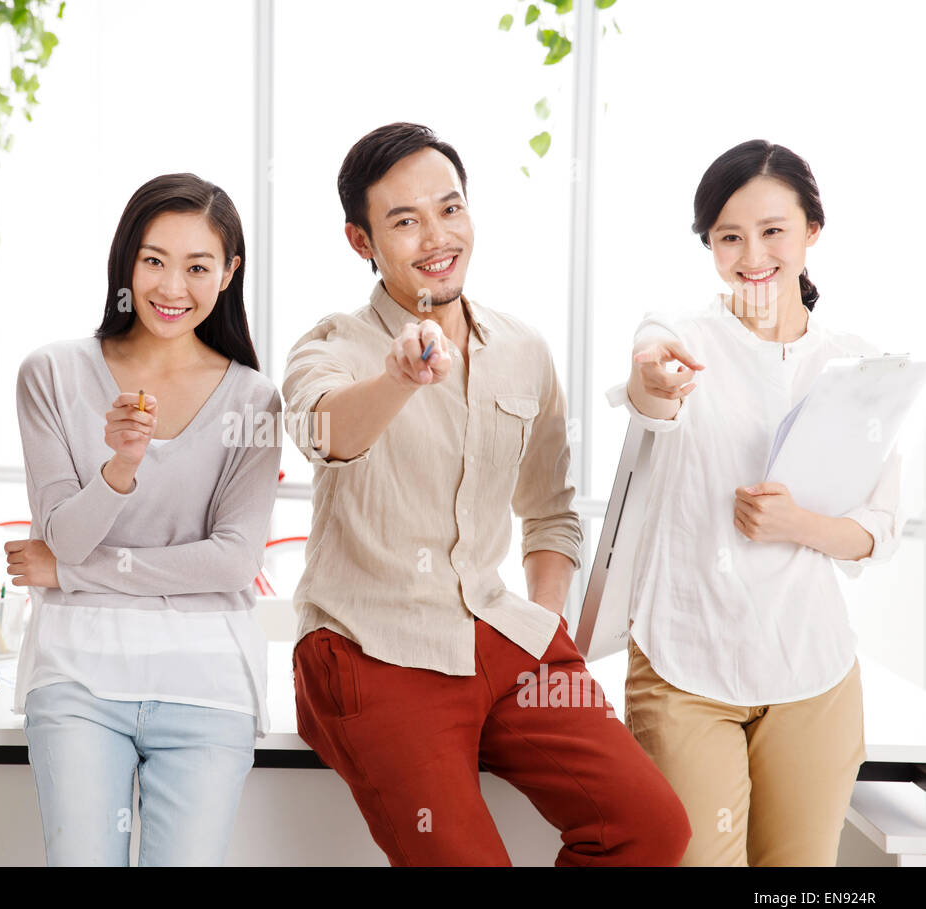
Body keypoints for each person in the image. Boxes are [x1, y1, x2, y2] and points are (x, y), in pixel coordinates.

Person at [281, 122, 691, 866]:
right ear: (360, 241)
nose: (436, 236)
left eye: (450, 208)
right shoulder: (334, 344)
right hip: (370, 645)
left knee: (651, 827)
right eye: (404, 221)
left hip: (506, 636)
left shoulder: (524, 350)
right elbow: (322, 431)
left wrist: (543, 616)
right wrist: (397, 379)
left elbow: (551, 512)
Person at [610, 139, 903, 866]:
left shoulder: (858, 365)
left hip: (813, 672)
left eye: (773, 230)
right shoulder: (683, 343)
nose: (752, 255)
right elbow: (651, 390)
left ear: (812, 232)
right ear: (709, 244)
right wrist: (655, 376)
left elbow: (879, 531)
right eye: (729, 237)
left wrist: (797, 524)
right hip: (687, 665)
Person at [4, 173, 282, 867]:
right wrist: (120, 465)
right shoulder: (52, 374)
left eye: (197, 266)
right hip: (77, 679)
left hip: (209, 683)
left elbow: (232, 562)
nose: (172, 286)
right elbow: (64, 531)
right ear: (126, 260)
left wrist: (72, 574)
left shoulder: (255, 398)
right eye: (154, 260)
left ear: (229, 273)